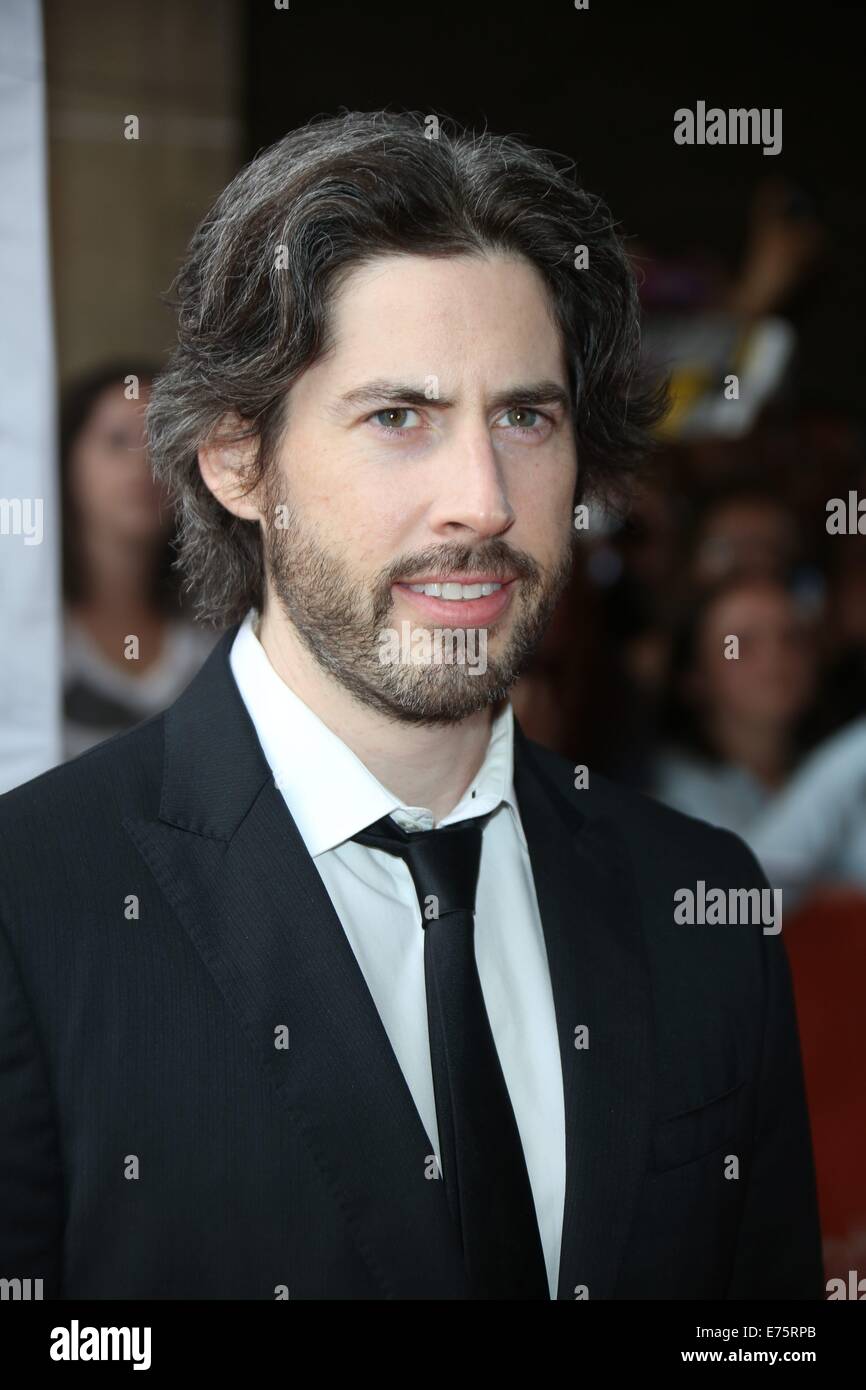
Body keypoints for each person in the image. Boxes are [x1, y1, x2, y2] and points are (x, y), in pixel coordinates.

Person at [0, 110, 823, 1300]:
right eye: (400, 417)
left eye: (524, 417)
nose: (482, 501)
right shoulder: (36, 913)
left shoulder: (700, 906)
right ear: (238, 460)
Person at [60, 364, 218, 759]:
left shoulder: (220, 629)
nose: (142, 464)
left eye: (162, 442)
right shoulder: (27, 634)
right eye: (117, 441)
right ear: (66, 461)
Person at [653, 575, 818, 834]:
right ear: (695, 677)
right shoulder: (664, 794)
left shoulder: (829, 767)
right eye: (742, 644)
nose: (774, 657)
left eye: (791, 638)